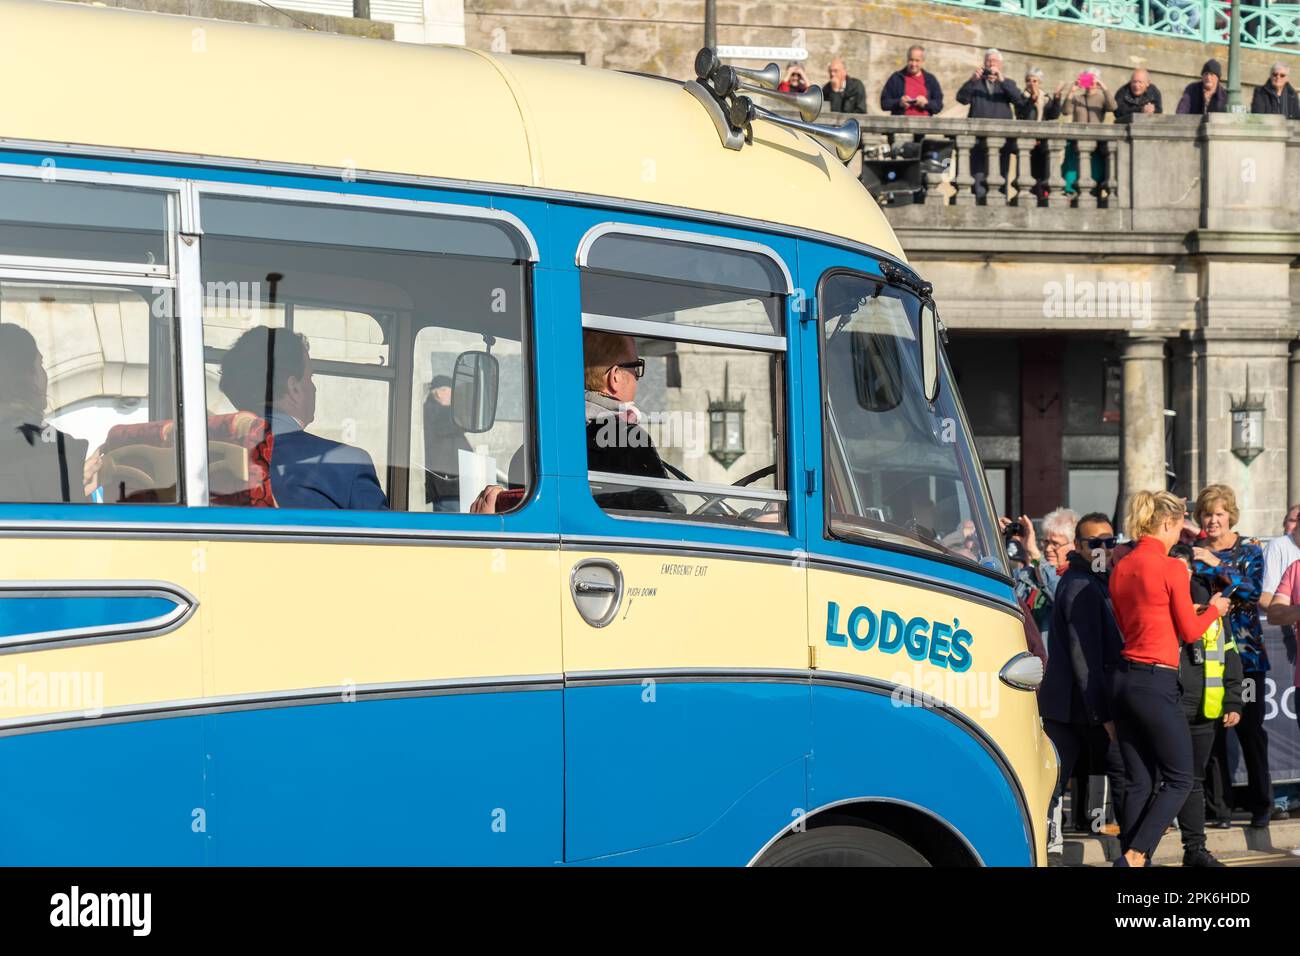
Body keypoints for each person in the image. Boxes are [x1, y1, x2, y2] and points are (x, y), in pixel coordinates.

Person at [1107, 490, 1229, 867]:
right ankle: (1135, 854)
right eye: (1179, 527)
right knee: (1179, 778)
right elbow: (1192, 632)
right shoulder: (1172, 567)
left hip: (1124, 678)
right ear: (1165, 523)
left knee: (1139, 781)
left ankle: (1131, 854)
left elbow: (1138, 620)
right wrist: (1214, 609)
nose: (1182, 535)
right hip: (1156, 680)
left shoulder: (1122, 565)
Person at [218, 327, 387, 511]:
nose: (314, 388)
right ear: (294, 388)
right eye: (310, 377)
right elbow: (386, 536)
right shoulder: (348, 464)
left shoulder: (210, 455)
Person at [1190, 484, 1277, 827]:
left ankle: (1262, 805)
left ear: (1231, 516)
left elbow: (1253, 591)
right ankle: (1220, 809)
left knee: (1250, 730)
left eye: (1219, 514)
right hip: (1209, 656)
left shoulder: (1250, 548)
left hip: (1248, 657)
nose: (1213, 521)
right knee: (1212, 734)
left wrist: (1213, 563)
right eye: (1208, 514)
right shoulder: (1193, 551)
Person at [1040, 513, 1125, 856]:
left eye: (1109, 542)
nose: (1103, 548)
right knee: (1056, 781)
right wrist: (1102, 714)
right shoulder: (1081, 585)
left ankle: (1122, 846)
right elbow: (1083, 654)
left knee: (1086, 776)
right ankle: (1054, 851)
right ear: (1078, 546)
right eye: (1095, 543)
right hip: (1074, 704)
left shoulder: (1098, 578)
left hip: (1080, 703)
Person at [1168, 541, 1243, 867]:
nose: (1182, 574)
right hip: (1169, 704)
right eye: (1176, 567)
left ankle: (1195, 850)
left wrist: (1234, 701)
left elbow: (1231, 657)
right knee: (1164, 779)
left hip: (1205, 710)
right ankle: (1139, 850)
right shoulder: (1162, 606)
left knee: (1193, 780)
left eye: (1187, 567)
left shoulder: (1211, 609)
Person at [0, 324, 89, 504]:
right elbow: (68, 523)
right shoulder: (56, 451)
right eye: (40, 364)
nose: (44, 373)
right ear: (28, 377)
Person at [956, 49, 1024, 200]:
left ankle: (1001, 203)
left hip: (1002, 140)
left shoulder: (1007, 83)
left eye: (994, 61)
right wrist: (971, 80)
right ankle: (979, 204)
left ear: (1000, 64)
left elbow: (1019, 101)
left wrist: (1003, 81)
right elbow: (961, 98)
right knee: (978, 177)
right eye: (988, 61)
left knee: (1001, 175)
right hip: (979, 139)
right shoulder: (976, 83)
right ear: (984, 63)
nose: (991, 64)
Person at [1054, 68, 1115, 198]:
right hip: (1076, 141)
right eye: (1088, 79)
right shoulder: (1077, 98)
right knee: (1071, 171)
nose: (1090, 82)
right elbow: (1065, 111)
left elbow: (1113, 107)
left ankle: (1094, 192)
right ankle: (1071, 192)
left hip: (1096, 142)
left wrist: (1104, 88)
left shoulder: (1101, 99)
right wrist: (1072, 90)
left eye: (1092, 79)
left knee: (1096, 171)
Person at [423, 373, 470, 512]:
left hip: (451, 485)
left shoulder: (441, 413)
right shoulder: (436, 413)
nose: (452, 395)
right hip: (446, 485)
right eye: (449, 390)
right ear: (439, 392)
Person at [1015, 66, 1059, 200]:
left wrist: (1057, 99)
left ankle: (1041, 196)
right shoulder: (1021, 97)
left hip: (1042, 141)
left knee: (1042, 172)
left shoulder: (1045, 97)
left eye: (1035, 81)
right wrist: (1032, 99)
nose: (1031, 83)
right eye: (1029, 80)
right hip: (1027, 140)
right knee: (1027, 171)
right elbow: (1022, 113)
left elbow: (1054, 114)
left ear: (1039, 82)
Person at [880, 45, 943, 116]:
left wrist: (926, 103)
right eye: (911, 60)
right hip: (901, 124)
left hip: (925, 125)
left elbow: (939, 106)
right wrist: (899, 103)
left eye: (917, 60)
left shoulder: (931, 79)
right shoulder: (896, 78)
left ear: (923, 61)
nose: (913, 64)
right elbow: (884, 103)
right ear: (907, 60)